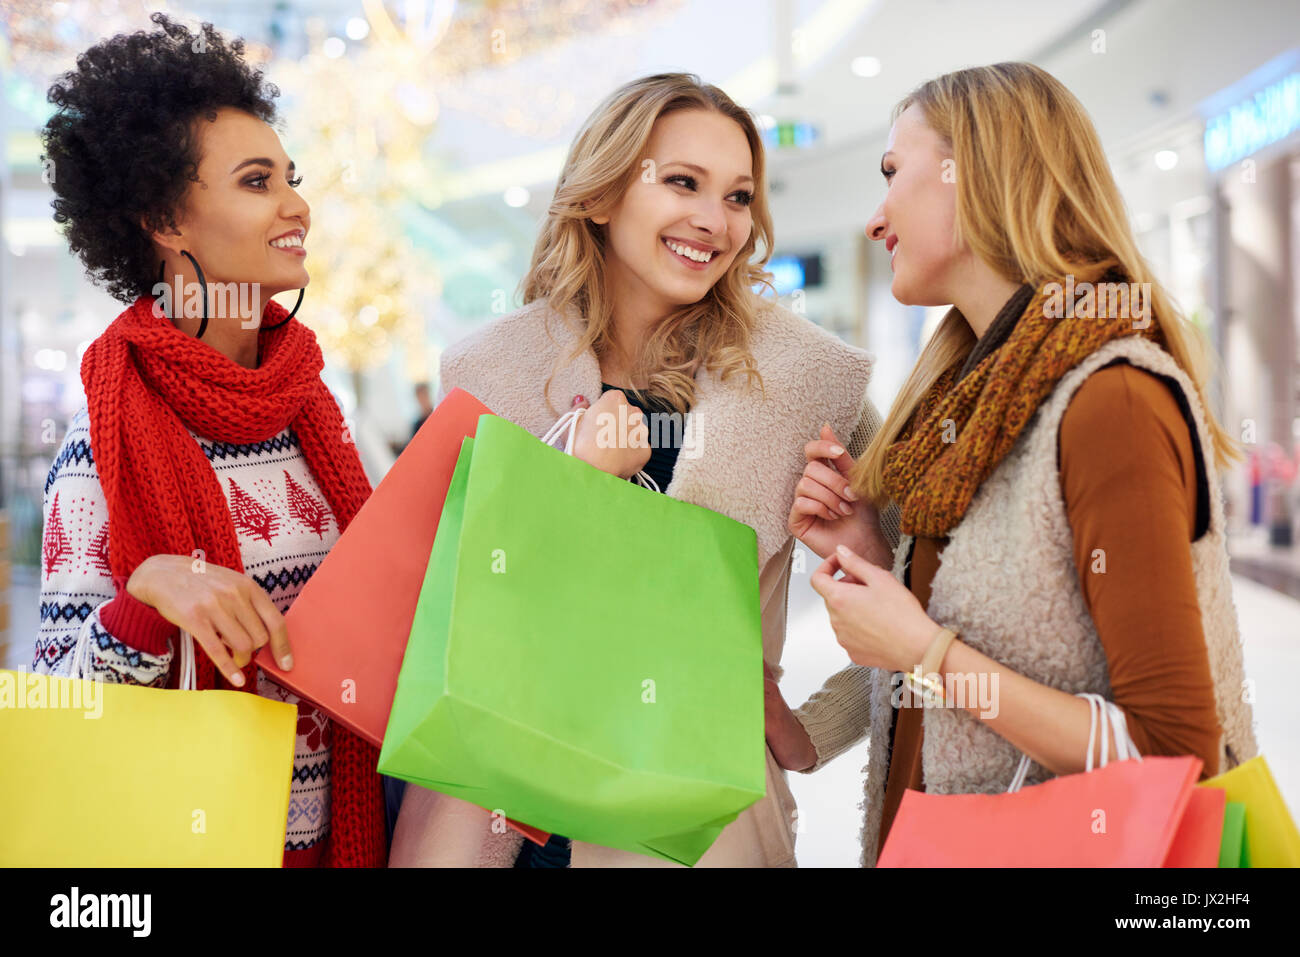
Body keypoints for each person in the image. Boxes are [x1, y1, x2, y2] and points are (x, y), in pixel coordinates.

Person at [389, 72, 899, 867]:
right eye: (682, 183)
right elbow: (430, 609)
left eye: (738, 196)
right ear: (599, 195)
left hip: (697, 824)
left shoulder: (804, 378)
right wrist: (568, 482)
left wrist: (813, 730)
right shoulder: (488, 370)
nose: (714, 221)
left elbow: (933, 588)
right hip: (501, 815)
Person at [766, 62, 1257, 866]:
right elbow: (966, 662)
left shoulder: (1112, 402)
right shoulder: (961, 405)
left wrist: (925, 648)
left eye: (894, 173)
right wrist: (876, 561)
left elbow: (1174, 752)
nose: (874, 219)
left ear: (979, 177)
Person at [35, 14, 387, 867]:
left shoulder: (314, 415)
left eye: (290, 178)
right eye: (257, 181)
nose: (296, 204)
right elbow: (55, 710)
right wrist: (147, 592)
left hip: (345, 841)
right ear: (166, 218)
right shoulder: (99, 451)